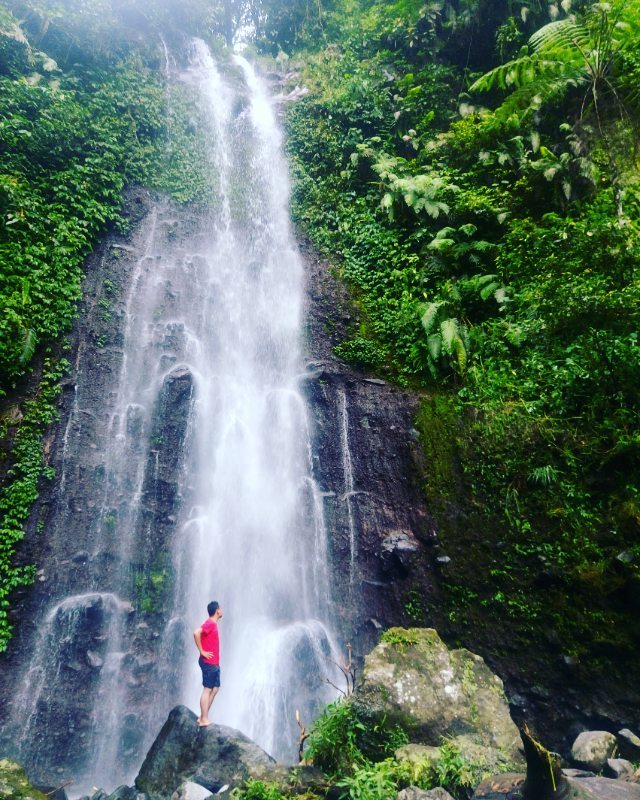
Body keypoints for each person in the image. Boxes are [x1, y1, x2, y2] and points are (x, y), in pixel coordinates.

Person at [193, 600, 223, 727]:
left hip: (214, 663)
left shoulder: (213, 624)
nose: (222, 610)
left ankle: (203, 716)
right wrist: (202, 651)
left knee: (215, 688)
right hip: (209, 663)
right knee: (207, 689)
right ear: (217, 611)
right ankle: (204, 719)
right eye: (220, 608)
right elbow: (196, 633)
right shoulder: (210, 623)